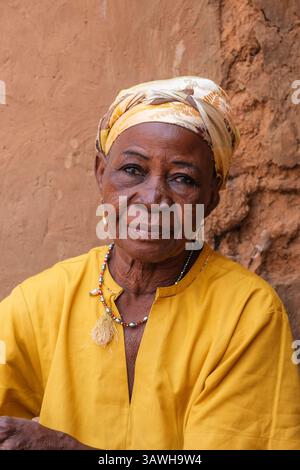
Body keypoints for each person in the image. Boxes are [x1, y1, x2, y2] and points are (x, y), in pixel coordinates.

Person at [0, 77, 299, 450]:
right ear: (100, 174)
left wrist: (64, 447)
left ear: (211, 199)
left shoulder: (246, 313)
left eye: (182, 179)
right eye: (133, 171)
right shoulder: (47, 299)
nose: (153, 197)